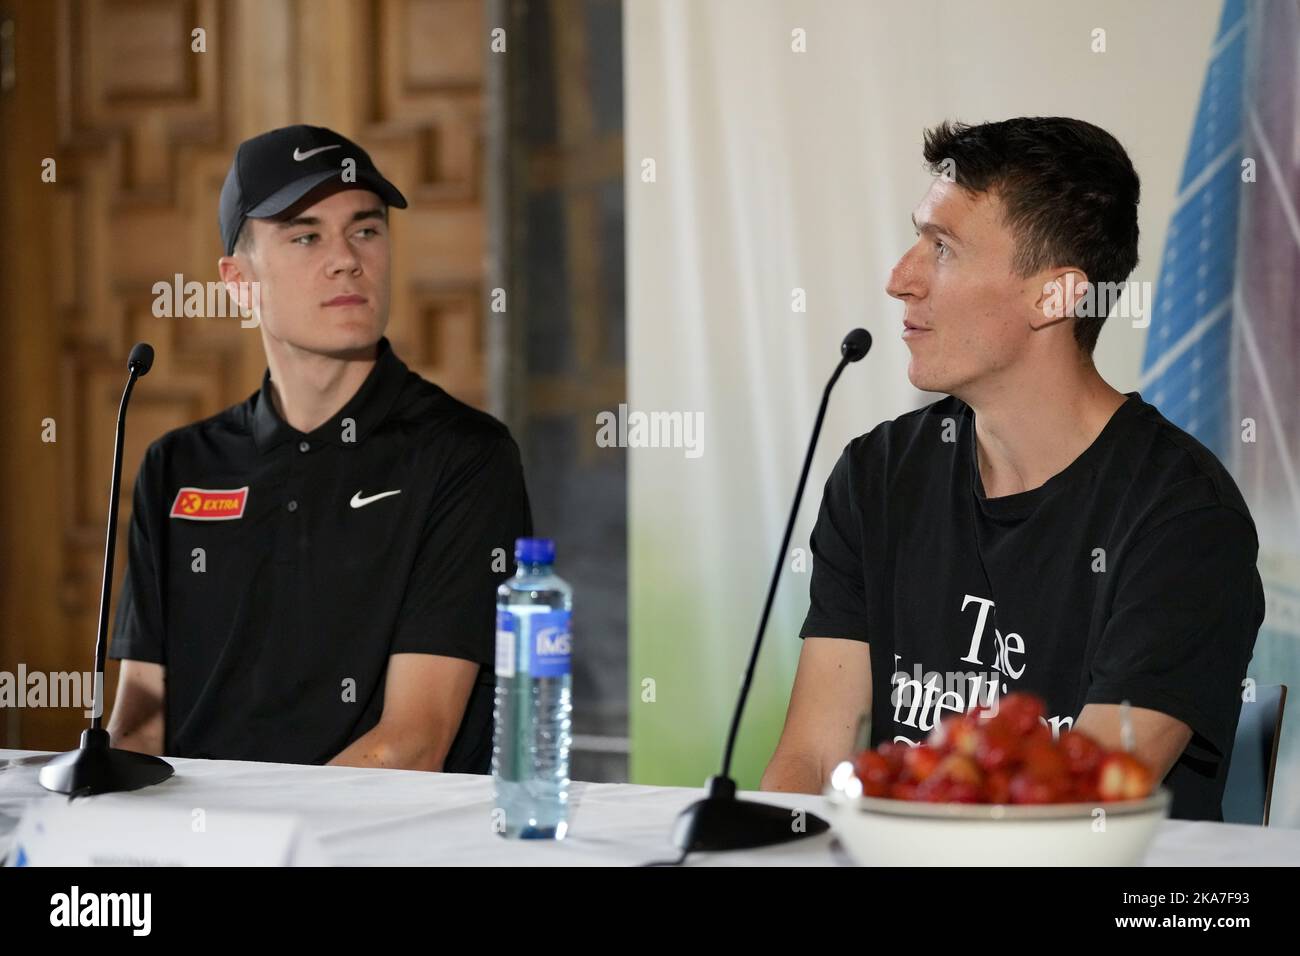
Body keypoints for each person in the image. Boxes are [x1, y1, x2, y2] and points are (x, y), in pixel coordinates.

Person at [761, 117, 1264, 821]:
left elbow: (1078, 800)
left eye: (942, 248)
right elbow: (815, 760)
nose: (900, 280)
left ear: (1054, 296)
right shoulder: (877, 475)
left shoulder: (1183, 518)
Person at [106, 125, 532, 772]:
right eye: (305, 236)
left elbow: (412, 744)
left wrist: (255, 848)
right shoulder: (178, 467)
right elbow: (140, 723)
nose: (346, 258)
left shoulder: (465, 457)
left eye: (365, 229)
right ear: (239, 283)